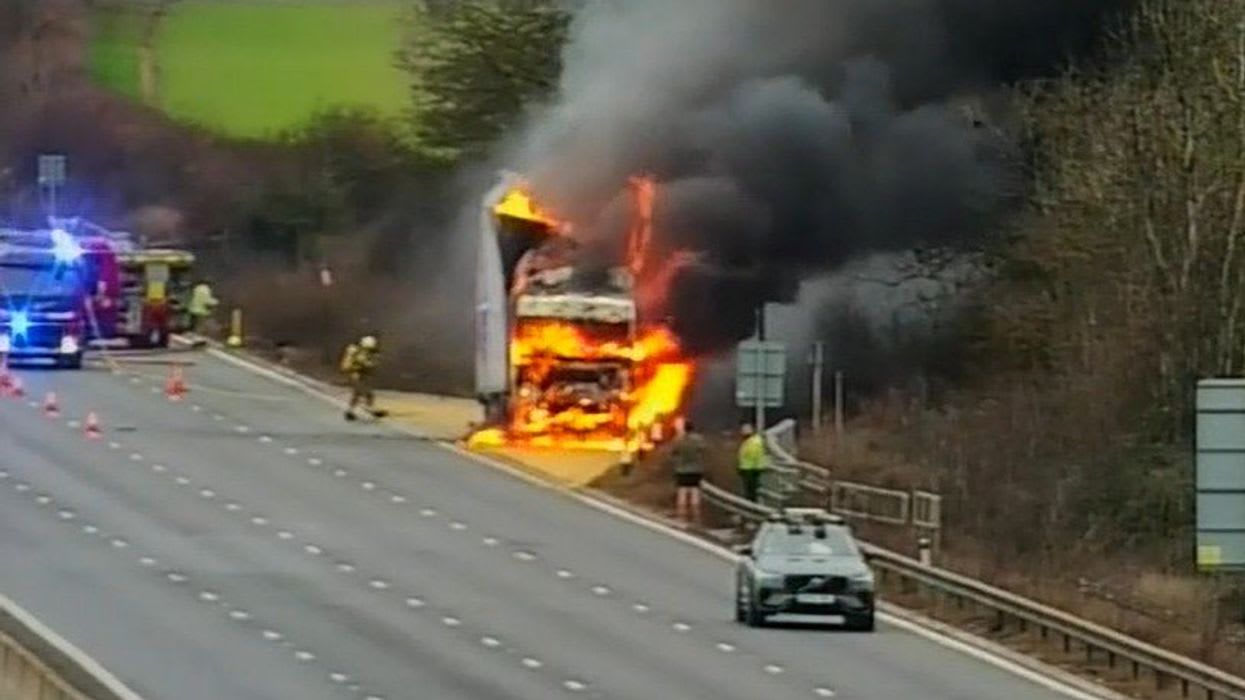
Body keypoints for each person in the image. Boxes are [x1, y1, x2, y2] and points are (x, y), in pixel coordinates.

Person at [339, 334, 389, 421]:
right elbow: (361, 364)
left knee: (357, 393)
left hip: (360, 374)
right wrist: (368, 364)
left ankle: (350, 412)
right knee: (366, 393)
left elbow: (369, 365)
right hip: (355, 374)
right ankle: (369, 408)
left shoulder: (361, 352)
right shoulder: (357, 352)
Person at [665, 418, 706, 523]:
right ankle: (696, 516)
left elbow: (673, 453)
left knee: (682, 492)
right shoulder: (698, 439)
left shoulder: (678, 440)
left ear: (684, 428)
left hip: (681, 469)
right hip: (696, 469)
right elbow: (703, 450)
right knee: (695, 491)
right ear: (693, 428)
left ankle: (681, 516)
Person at [737, 423, 768, 502]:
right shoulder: (751, 441)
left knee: (750, 492)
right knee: (751, 491)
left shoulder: (753, 442)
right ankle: (751, 505)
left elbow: (750, 456)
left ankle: (752, 506)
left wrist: (742, 467)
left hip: (750, 469)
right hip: (751, 468)